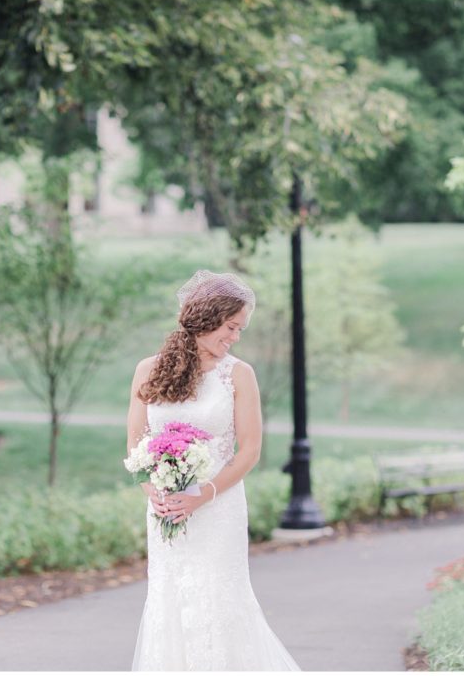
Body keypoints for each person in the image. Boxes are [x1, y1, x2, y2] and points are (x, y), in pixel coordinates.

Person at [126, 270, 301, 671]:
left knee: (219, 603)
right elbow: (136, 442)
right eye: (231, 326)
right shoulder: (147, 371)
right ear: (206, 318)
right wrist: (152, 491)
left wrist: (202, 494)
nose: (235, 336)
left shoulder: (238, 375)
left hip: (217, 509)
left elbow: (250, 450)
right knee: (168, 601)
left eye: (239, 329)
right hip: (166, 512)